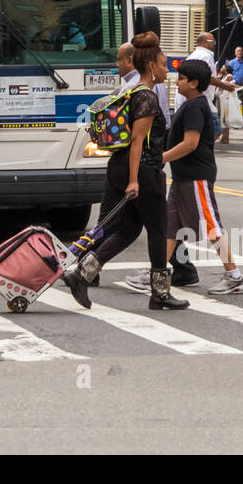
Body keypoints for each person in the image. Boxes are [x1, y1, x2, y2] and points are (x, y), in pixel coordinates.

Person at [78, 34, 188, 311]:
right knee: (158, 230)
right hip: (142, 170)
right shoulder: (146, 97)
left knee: (127, 229)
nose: (167, 70)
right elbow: (138, 140)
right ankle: (160, 293)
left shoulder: (128, 92)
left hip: (120, 165)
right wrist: (135, 179)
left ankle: (81, 273)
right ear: (151, 65)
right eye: (164, 65)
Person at [162, 58, 243, 295]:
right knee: (170, 225)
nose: (177, 81)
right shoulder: (191, 104)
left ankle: (234, 275)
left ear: (193, 83)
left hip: (195, 175)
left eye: (181, 78)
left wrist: (163, 157)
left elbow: (190, 143)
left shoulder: (195, 106)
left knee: (211, 224)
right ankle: (157, 271)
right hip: (183, 176)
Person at [186, 32, 238, 146]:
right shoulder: (206, 56)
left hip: (197, 99)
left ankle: (196, 148)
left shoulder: (194, 55)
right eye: (212, 41)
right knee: (215, 131)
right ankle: (198, 149)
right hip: (203, 99)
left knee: (201, 130)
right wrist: (226, 86)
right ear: (204, 42)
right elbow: (208, 77)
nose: (214, 44)